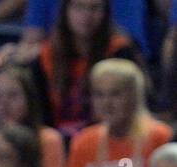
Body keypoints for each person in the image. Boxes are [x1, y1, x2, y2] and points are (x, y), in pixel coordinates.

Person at [66, 58, 172, 167]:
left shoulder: (160, 137)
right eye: (99, 95)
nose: (106, 103)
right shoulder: (83, 141)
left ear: (135, 96)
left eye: (115, 94)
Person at [33, 0, 137, 139]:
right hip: (57, 139)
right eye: (78, 7)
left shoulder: (119, 51)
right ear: (66, 12)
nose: (86, 15)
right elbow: (41, 113)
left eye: (94, 8)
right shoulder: (46, 56)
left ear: (105, 13)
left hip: (107, 136)